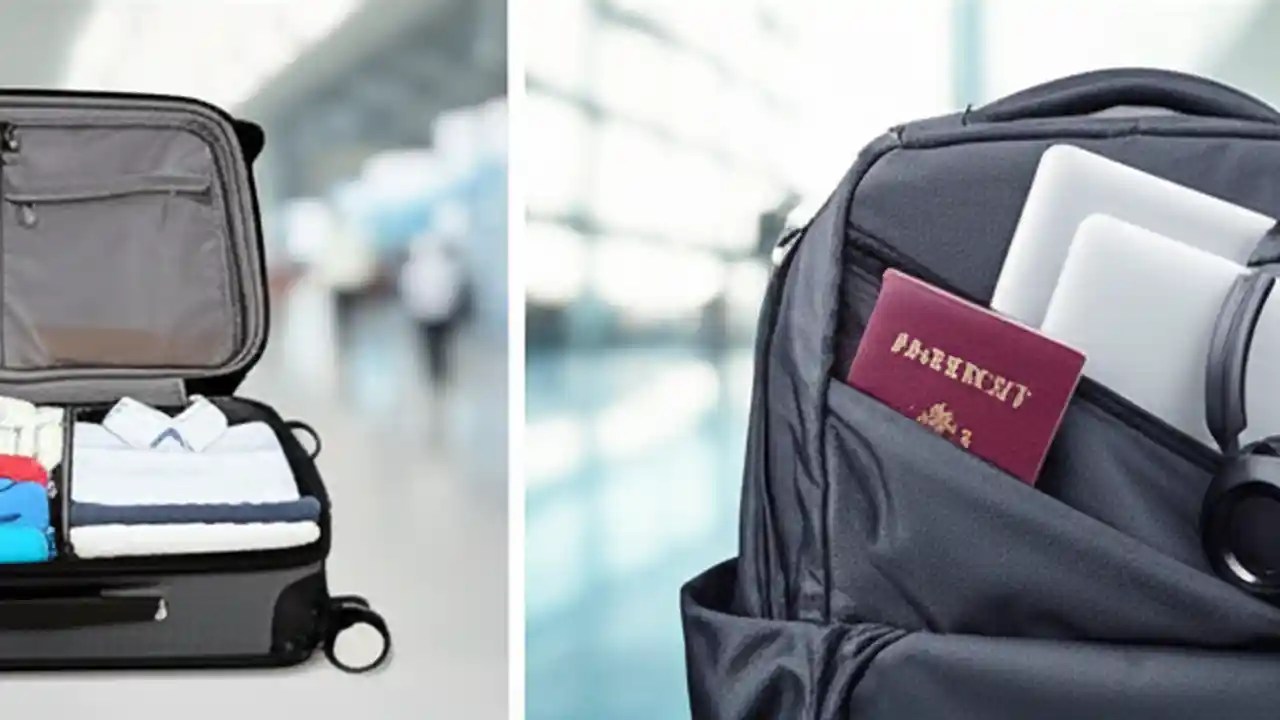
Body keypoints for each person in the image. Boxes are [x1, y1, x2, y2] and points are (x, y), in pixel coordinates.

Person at [398, 232, 470, 387]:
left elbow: (408, 291)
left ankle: (435, 372)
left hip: (425, 314)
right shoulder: (447, 266)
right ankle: (441, 372)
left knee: (430, 344)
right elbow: (454, 288)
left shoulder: (412, 268)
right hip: (442, 313)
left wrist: (414, 308)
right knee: (442, 343)